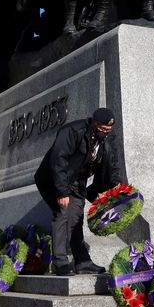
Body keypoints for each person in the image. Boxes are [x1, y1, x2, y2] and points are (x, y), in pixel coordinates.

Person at [34, 107, 124, 276]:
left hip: (78, 182)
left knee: (76, 217)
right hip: (55, 179)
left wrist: (115, 189)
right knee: (62, 214)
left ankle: (82, 261)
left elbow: (112, 165)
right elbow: (58, 160)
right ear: (94, 122)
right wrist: (61, 192)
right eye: (103, 129)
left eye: (108, 130)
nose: (105, 133)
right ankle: (60, 262)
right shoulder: (73, 131)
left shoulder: (108, 138)